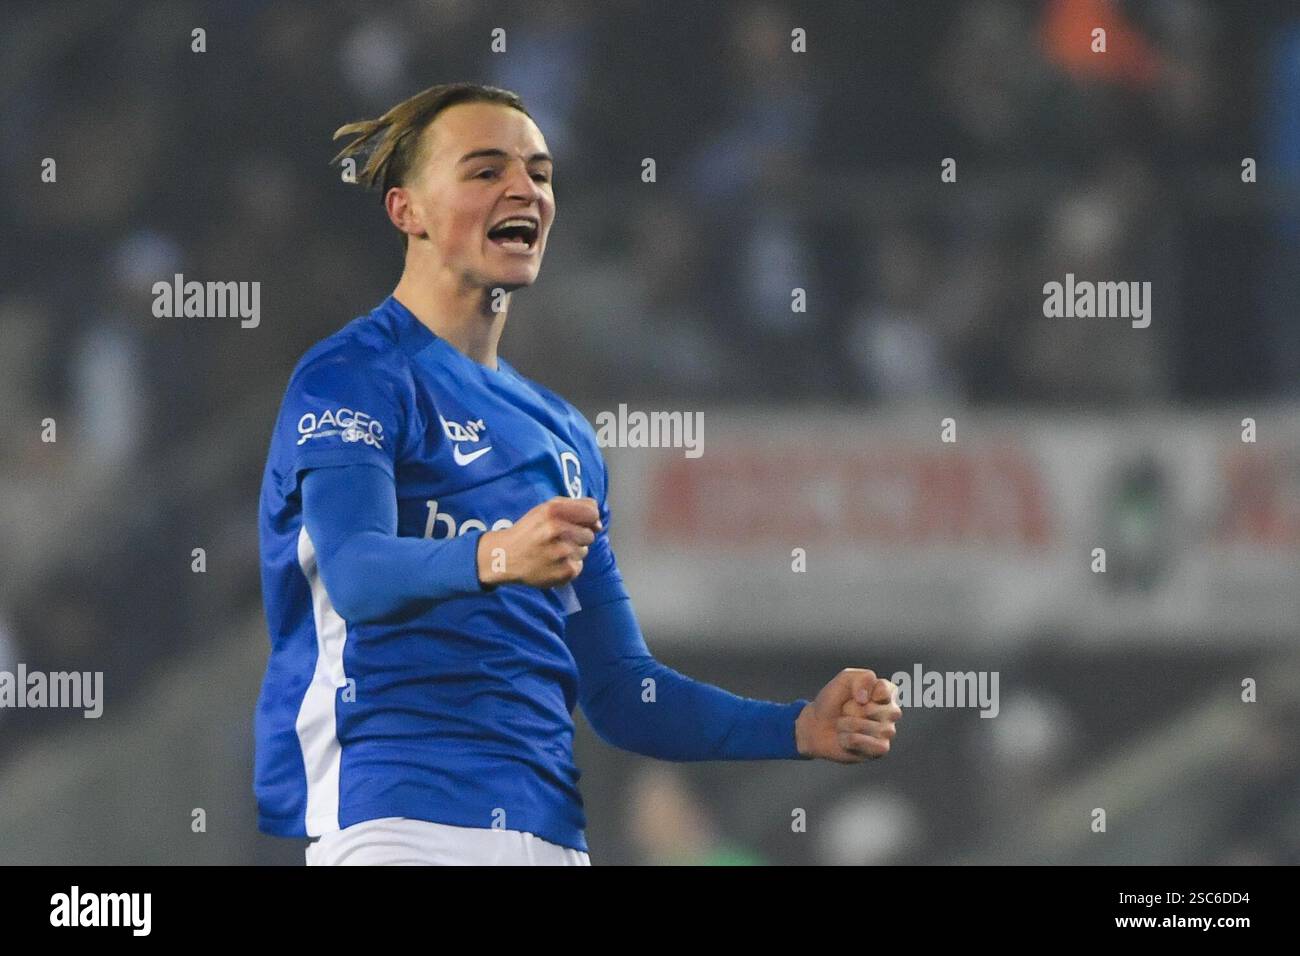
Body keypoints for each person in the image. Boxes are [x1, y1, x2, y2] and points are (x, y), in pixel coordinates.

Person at [253, 82, 902, 866]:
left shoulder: (563, 435)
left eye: (540, 171)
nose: (524, 189)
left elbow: (623, 691)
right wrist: (497, 554)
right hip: (396, 825)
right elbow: (355, 570)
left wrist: (795, 728)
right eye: (485, 170)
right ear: (407, 211)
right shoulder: (351, 375)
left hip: (552, 841)